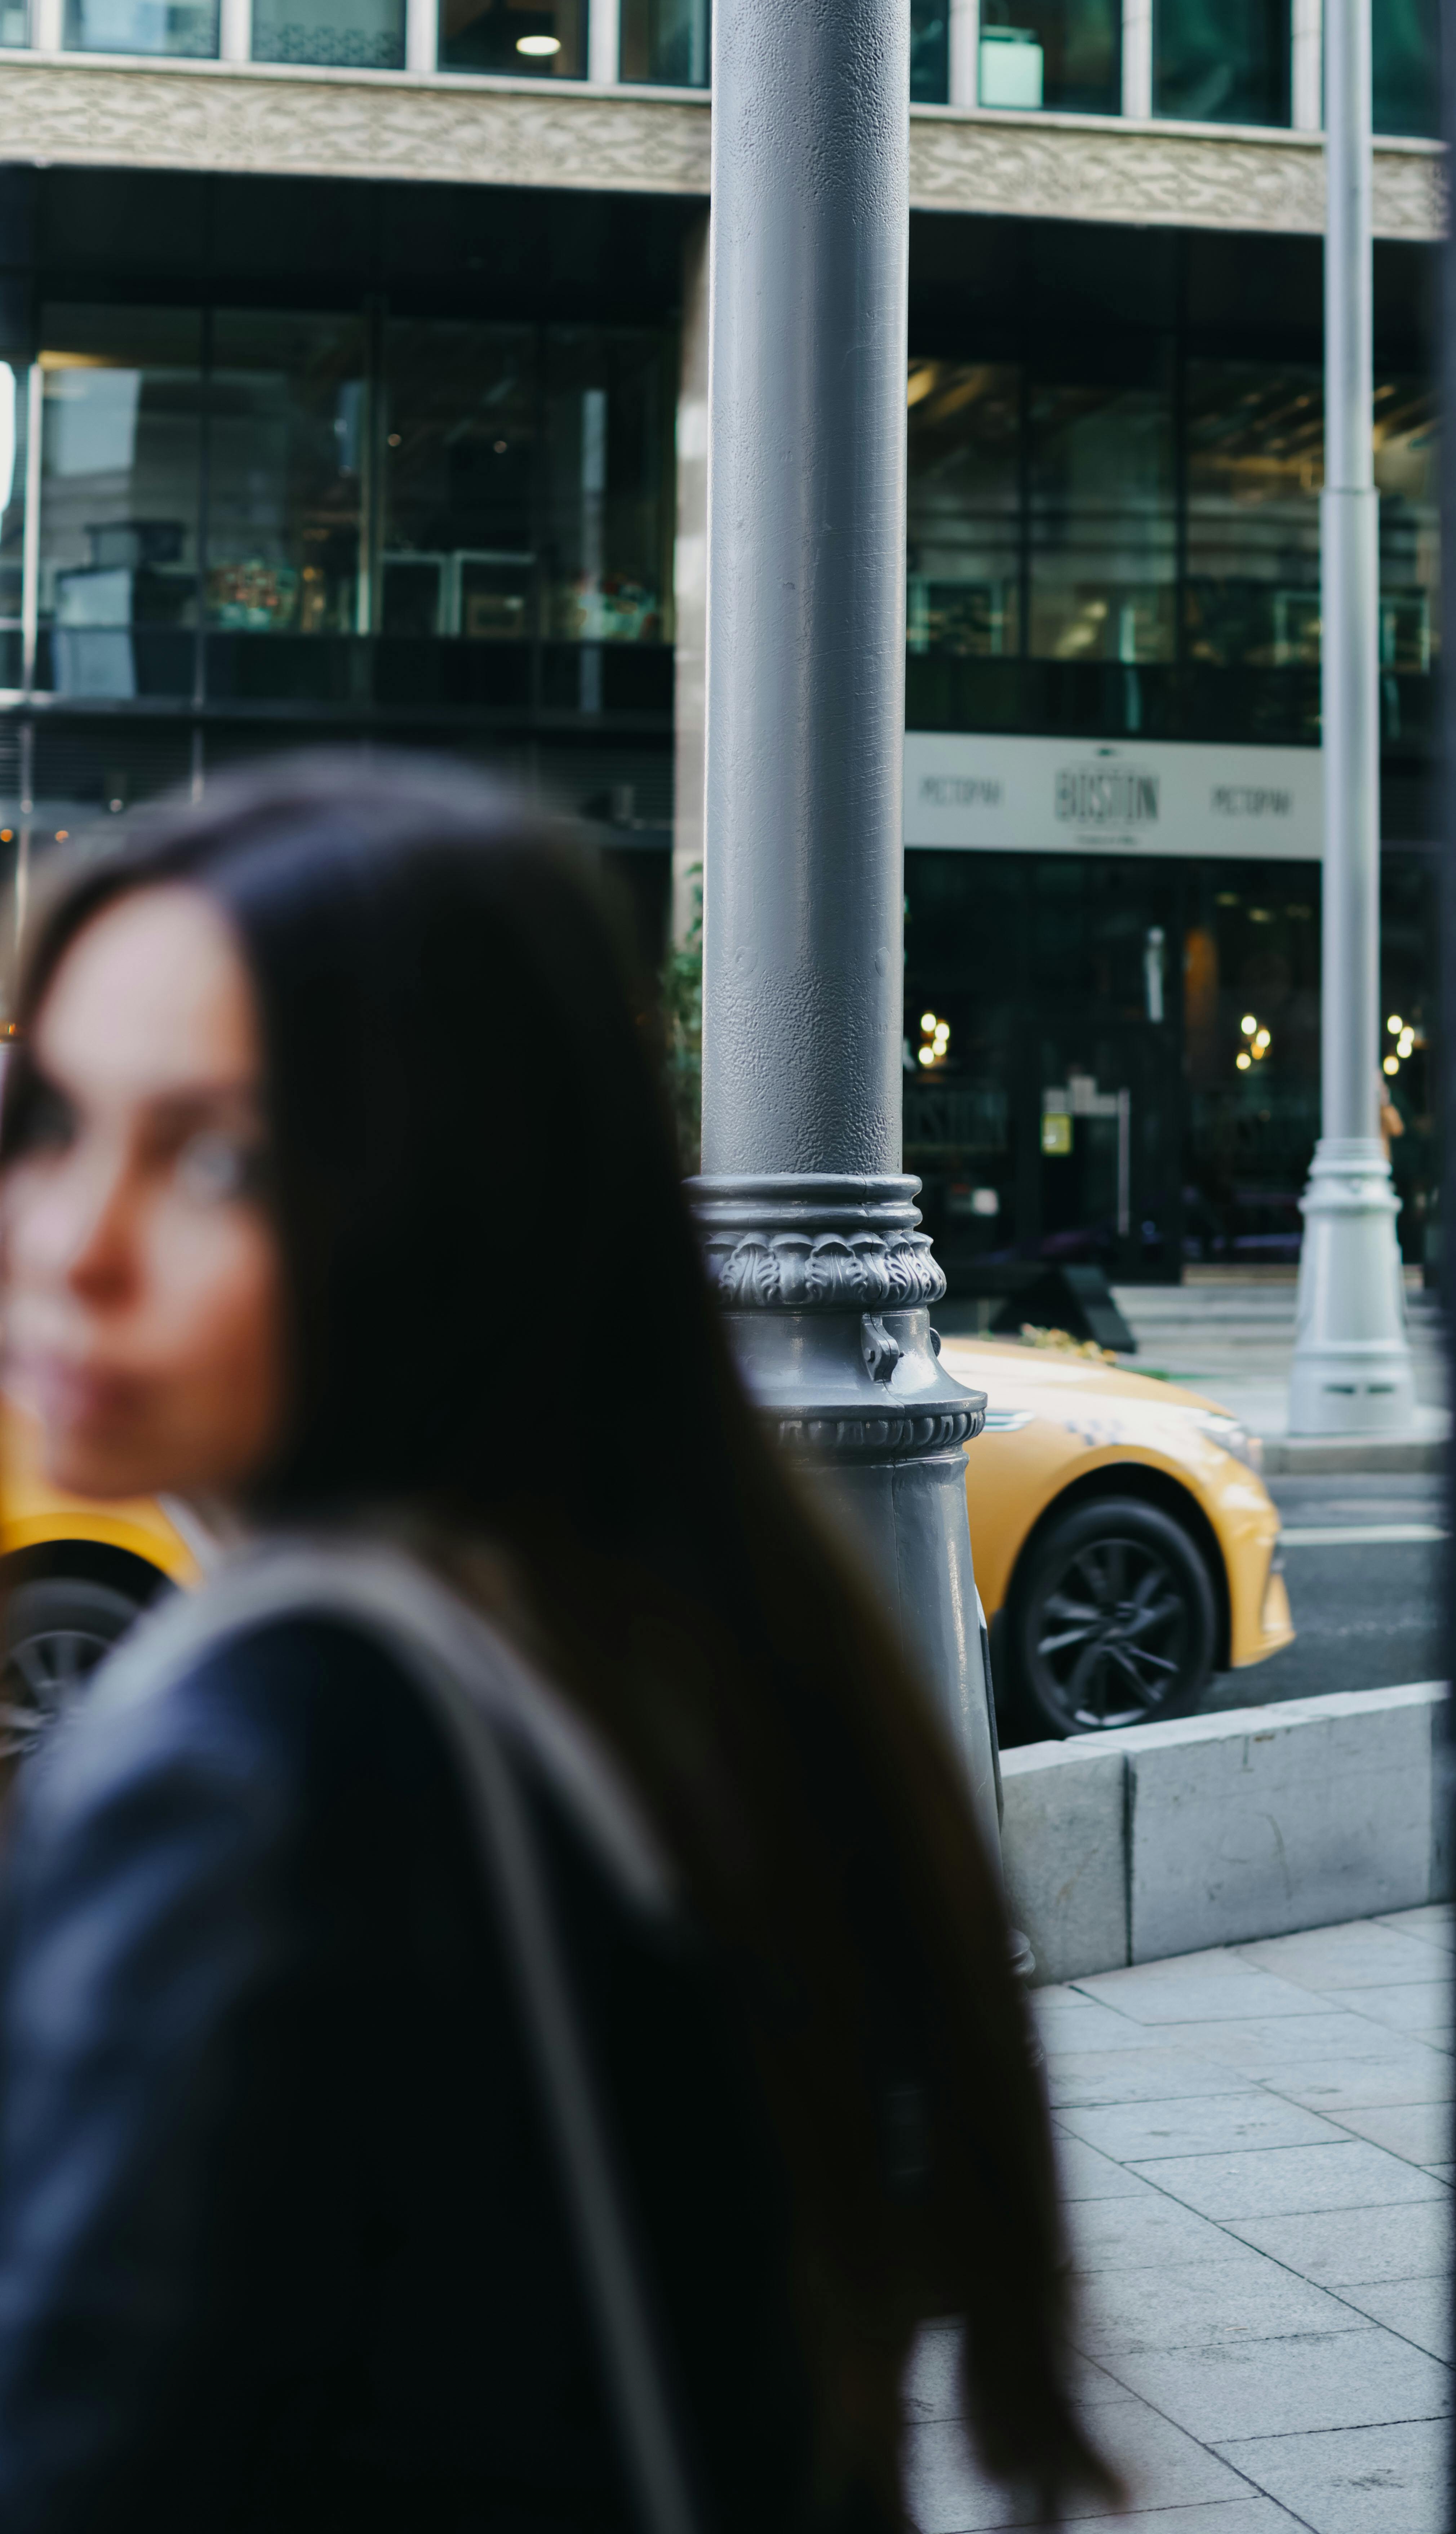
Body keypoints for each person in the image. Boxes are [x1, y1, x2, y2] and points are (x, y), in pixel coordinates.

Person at [0, 756, 1117, 2533]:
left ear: (455, 1199)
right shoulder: (647, 1637)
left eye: (217, 1158)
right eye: (52, 1120)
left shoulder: (266, 1759)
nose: (74, 1242)